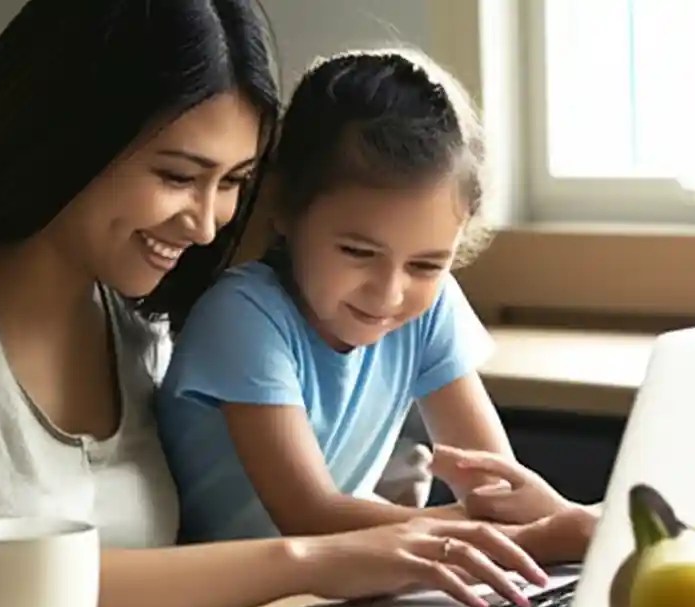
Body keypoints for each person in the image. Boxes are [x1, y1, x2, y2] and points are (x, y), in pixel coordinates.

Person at [0, 0, 558, 607]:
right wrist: (317, 555)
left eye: (234, 182)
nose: (207, 224)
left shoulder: (136, 333)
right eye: (178, 175)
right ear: (68, 132)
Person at [156, 49, 597, 562]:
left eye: (427, 265)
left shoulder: (430, 308)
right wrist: (524, 537)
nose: (389, 293)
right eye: (358, 253)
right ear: (284, 207)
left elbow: (493, 484)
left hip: (338, 592)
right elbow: (311, 515)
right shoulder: (243, 315)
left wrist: (555, 515)